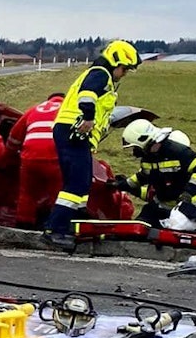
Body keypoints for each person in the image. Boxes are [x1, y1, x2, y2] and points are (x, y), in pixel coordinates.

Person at [42, 40, 141, 249]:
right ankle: (55, 229)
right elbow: (87, 95)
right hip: (74, 132)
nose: (124, 74)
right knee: (76, 184)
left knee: (81, 182)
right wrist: (88, 118)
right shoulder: (100, 74)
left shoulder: (102, 75)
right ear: (115, 62)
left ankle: (72, 224)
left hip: (73, 134)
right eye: (124, 69)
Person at [112, 119, 196, 229]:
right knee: (139, 227)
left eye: (136, 147)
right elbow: (143, 176)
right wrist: (122, 184)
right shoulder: (148, 158)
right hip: (161, 205)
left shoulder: (178, 151)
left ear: (144, 140)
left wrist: (189, 192)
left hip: (186, 209)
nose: (135, 152)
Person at [10, 92, 65, 229]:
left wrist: (10, 154)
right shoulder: (67, 108)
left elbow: (14, 136)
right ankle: (55, 225)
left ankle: (24, 224)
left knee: (27, 192)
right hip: (55, 157)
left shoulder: (34, 109)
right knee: (58, 194)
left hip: (29, 157)